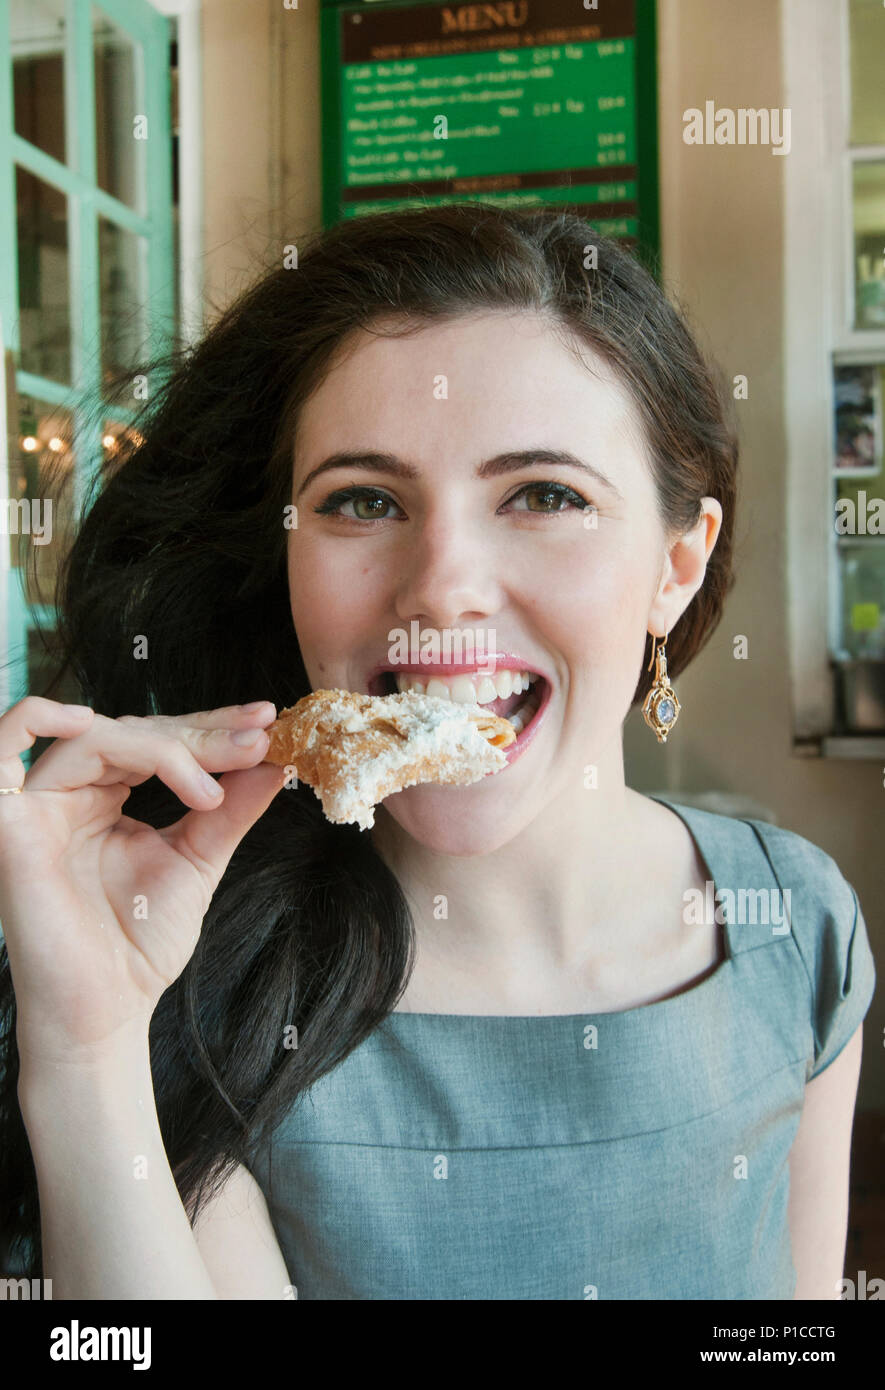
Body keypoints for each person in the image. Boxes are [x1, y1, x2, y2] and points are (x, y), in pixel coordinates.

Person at [0, 205, 875, 1300]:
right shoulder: (201, 988)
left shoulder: (801, 931)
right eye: (362, 501)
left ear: (677, 564)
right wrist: (85, 1052)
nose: (442, 585)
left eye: (545, 495)